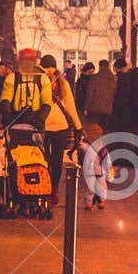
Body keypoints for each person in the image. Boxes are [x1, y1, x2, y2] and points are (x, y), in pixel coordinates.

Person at [39, 55, 82, 192]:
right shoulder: (37, 82)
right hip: (43, 127)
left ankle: (54, 187)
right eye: (45, 67)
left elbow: (70, 106)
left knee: (57, 160)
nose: (48, 70)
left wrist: (78, 126)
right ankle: (44, 185)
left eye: (51, 67)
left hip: (60, 126)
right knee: (43, 159)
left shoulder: (63, 84)